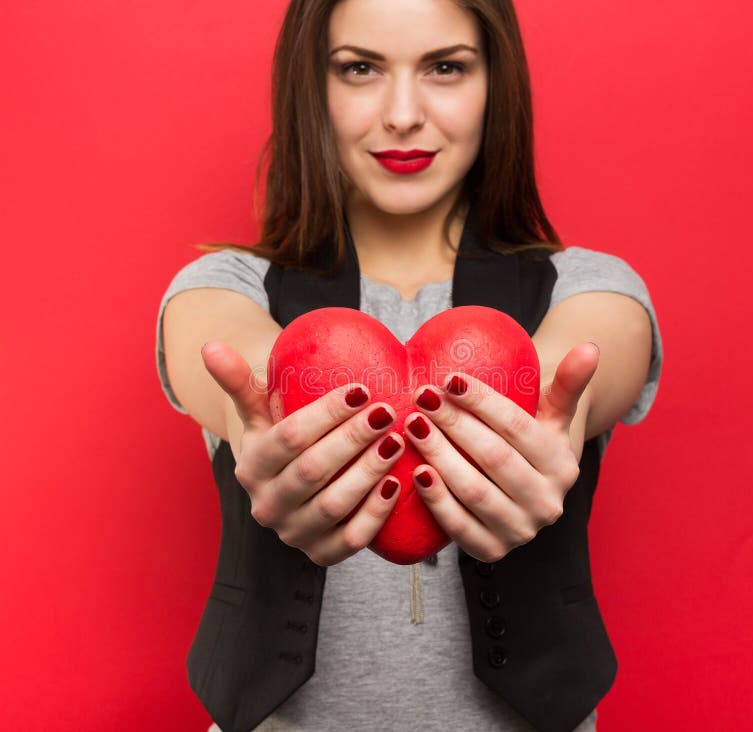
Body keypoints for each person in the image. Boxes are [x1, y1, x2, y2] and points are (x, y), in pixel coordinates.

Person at [156, 1, 662, 730]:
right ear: (311, 87)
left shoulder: (589, 289)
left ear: (497, 84)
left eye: (445, 67)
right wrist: (274, 424)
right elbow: (238, 371)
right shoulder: (225, 288)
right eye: (359, 68)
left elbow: (567, 380)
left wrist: (532, 437)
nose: (402, 114)